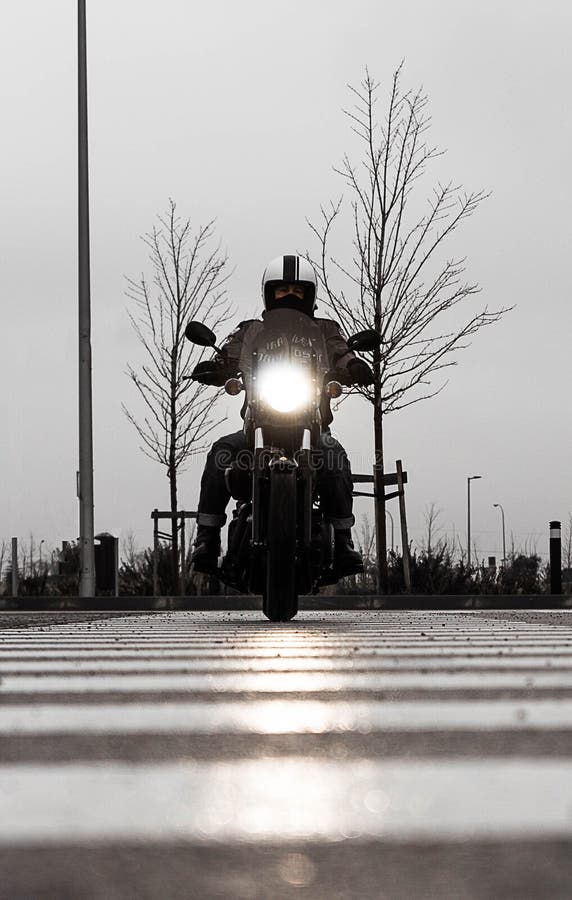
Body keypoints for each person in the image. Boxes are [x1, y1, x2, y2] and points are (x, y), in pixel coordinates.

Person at [190, 254, 374, 579]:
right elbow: (231, 351)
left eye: (298, 290)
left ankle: (343, 543)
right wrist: (217, 367)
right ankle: (206, 541)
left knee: (334, 458)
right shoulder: (250, 331)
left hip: (310, 426)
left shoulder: (325, 329)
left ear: (310, 295)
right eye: (282, 289)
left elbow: (342, 352)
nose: (289, 295)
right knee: (221, 452)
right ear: (269, 293)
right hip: (257, 427)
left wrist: (353, 365)